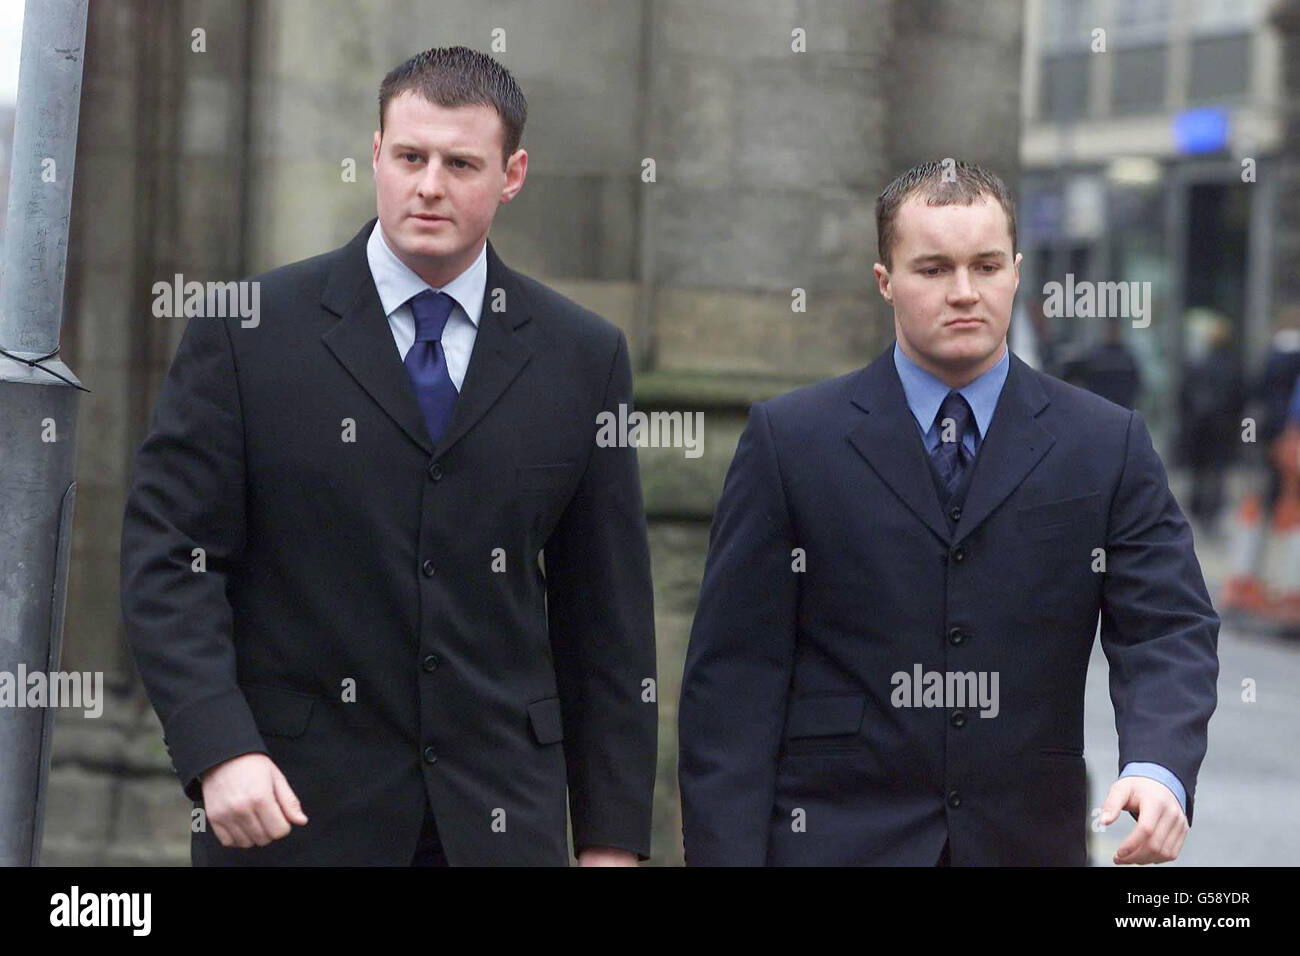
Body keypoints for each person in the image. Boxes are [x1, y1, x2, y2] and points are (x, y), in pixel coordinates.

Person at [121, 46, 656, 866]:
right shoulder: (245, 333)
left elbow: (607, 619)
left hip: (501, 823)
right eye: (410, 157)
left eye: (460, 163)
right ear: (376, 154)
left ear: (511, 175)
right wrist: (218, 748)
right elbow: (172, 562)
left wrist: (612, 842)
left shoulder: (583, 357)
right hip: (294, 816)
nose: (430, 186)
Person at [677, 160, 1220, 866]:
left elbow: (1167, 628)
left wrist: (1158, 767)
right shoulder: (792, 441)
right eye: (932, 269)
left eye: (986, 265)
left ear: (1017, 272)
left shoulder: (1105, 442)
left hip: (1026, 843)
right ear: (885, 281)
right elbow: (734, 678)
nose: (964, 293)